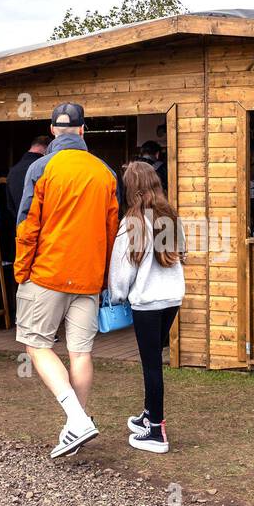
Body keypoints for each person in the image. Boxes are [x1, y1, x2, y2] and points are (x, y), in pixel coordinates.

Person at [15, 101, 119, 459]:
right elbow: (111, 229)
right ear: (83, 130)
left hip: (47, 271)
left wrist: (21, 269)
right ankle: (77, 423)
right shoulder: (105, 171)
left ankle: (76, 418)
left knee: (36, 344)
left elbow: (28, 224)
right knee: (81, 352)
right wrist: (103, 275)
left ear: (54, 131)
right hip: (89, 276)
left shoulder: (42, 167)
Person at [109, 161, 185, 454]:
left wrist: (116, 297)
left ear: (130, 188)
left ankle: (156, 431)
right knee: (153, 361)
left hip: (147, 303)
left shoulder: (132, 223)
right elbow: (179, 257)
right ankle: (148, 414)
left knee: (151, 364)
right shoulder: (170, 217)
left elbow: (122, 271)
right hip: (171, 299)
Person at [6, 137, 49, 217]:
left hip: (21, 224)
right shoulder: (45, 168)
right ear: (46, 148)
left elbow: (10, 205)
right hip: (43, 224)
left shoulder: (13, 170)